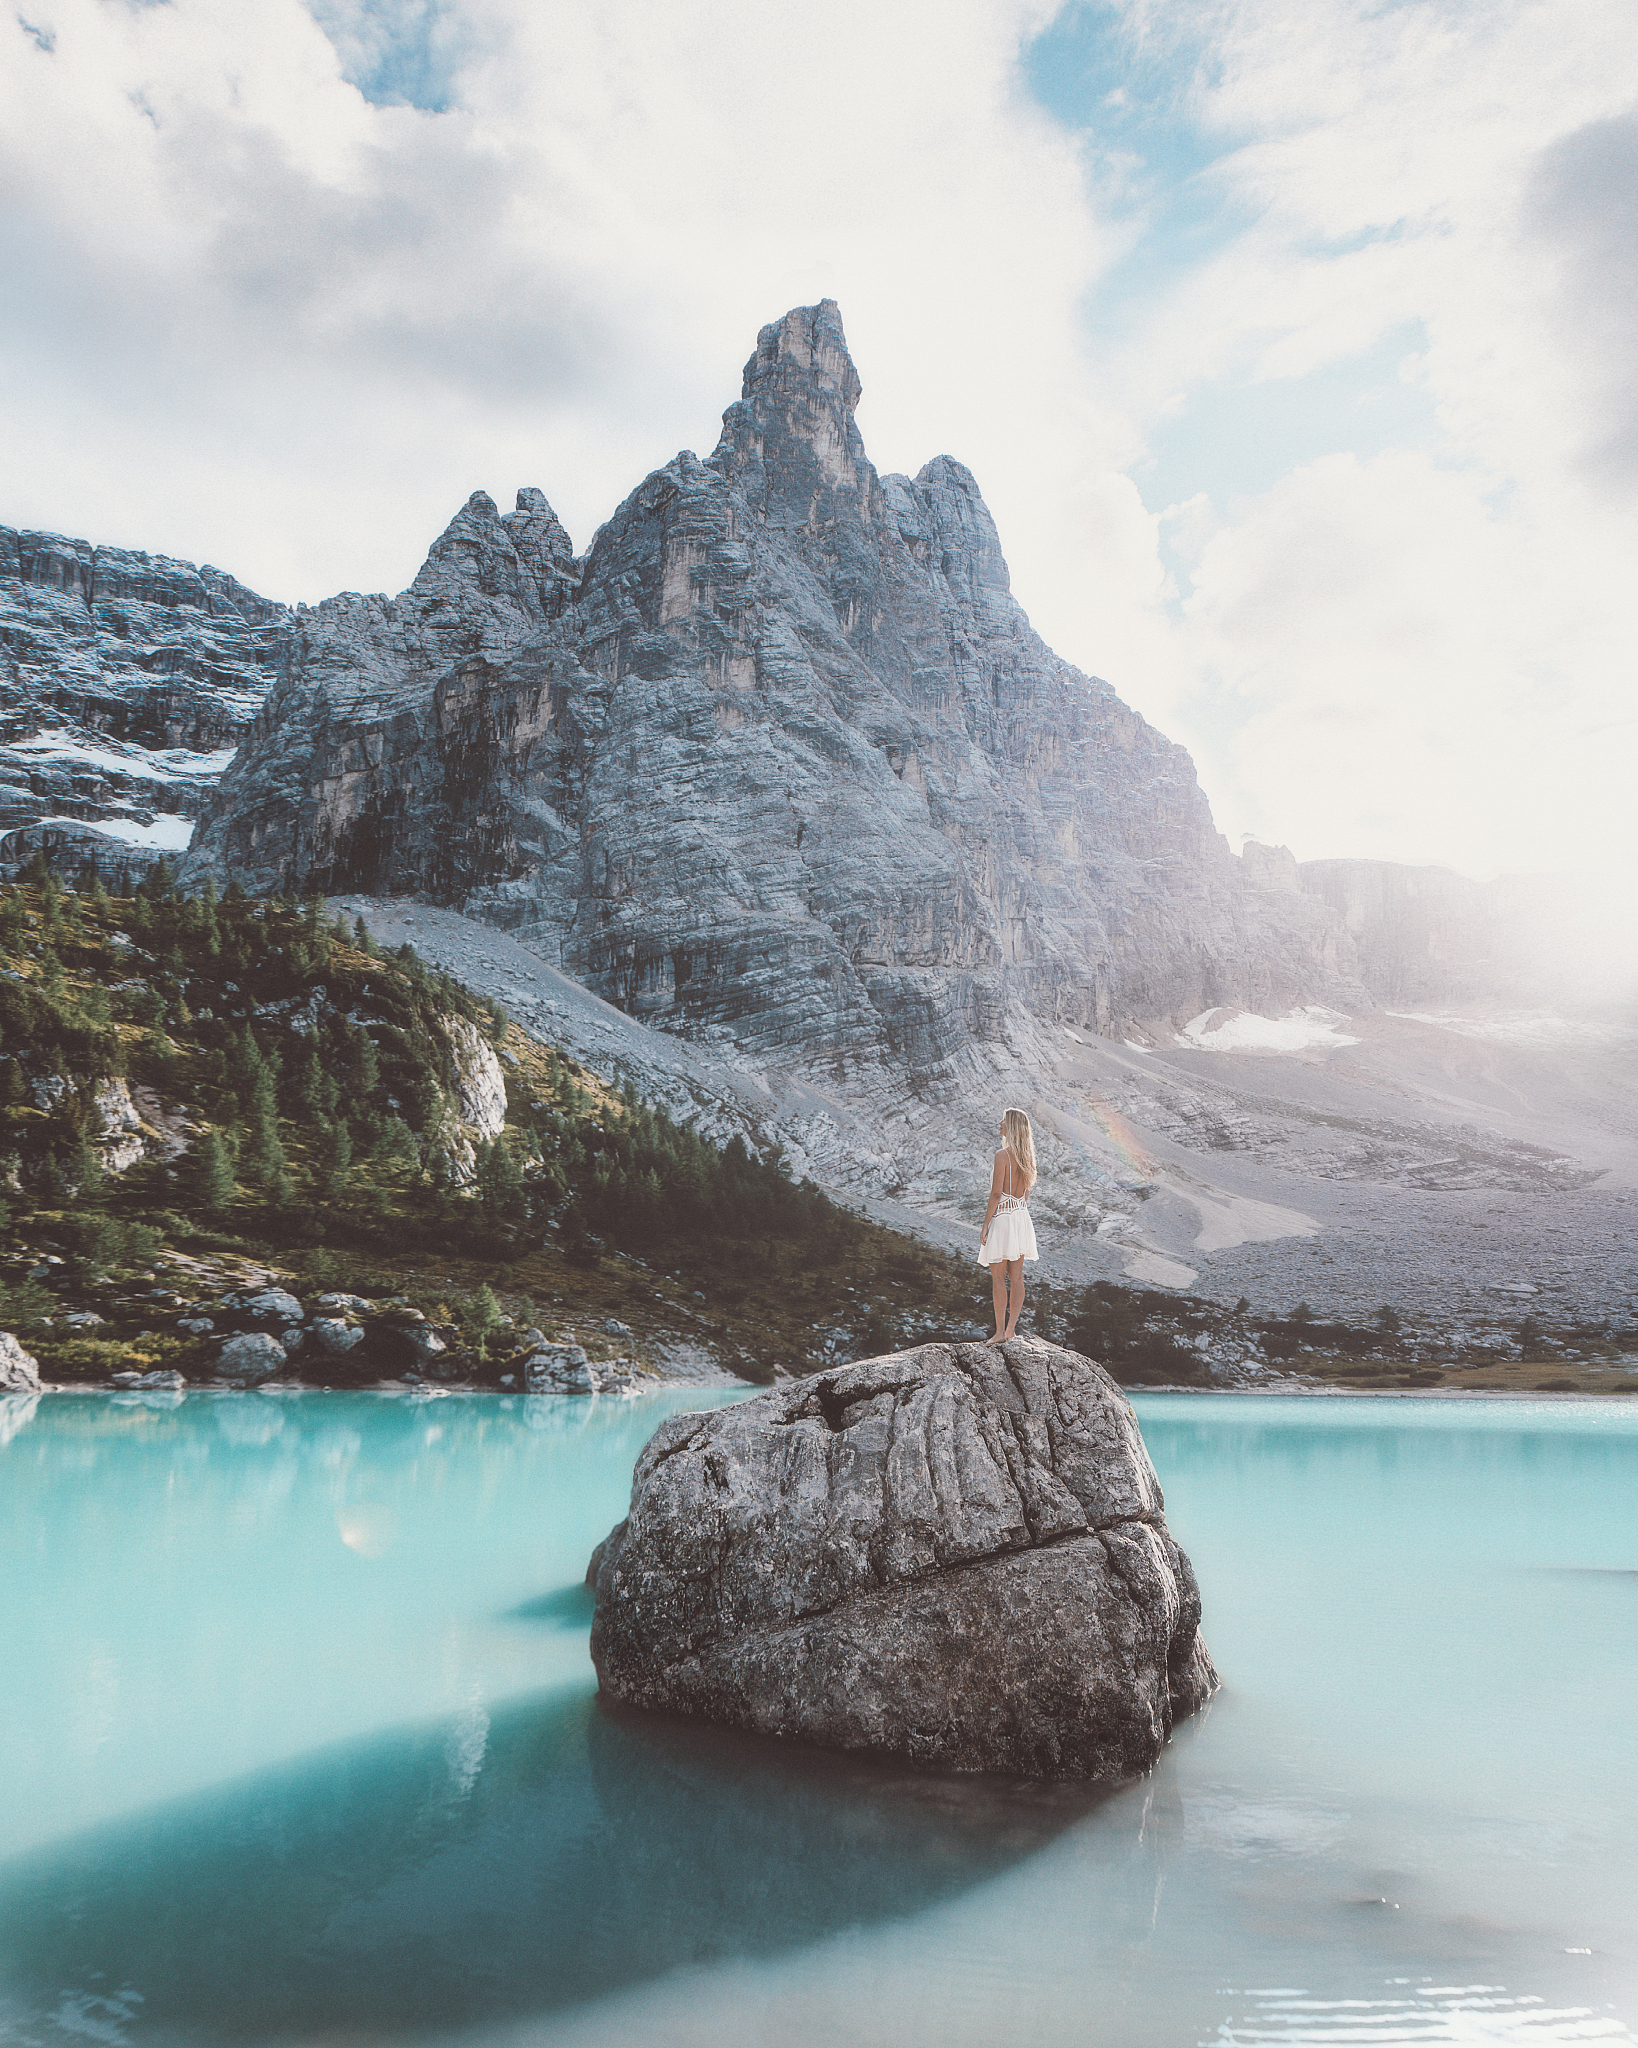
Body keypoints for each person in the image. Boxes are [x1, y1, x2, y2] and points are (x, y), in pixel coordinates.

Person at [977, 1107, 1038, 1344]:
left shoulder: (1002, 1156)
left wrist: (985, 1225)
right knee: (1017, 1277)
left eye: (1003, 1120)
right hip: (1022, 1218)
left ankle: (1000, 1332)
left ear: (1011, 1126)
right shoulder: (1028, 1159)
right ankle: (1012, 1329)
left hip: (1003, 1219)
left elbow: (995, 1194)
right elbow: (1025, 1196)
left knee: (998, 1278)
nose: (999, 1123)